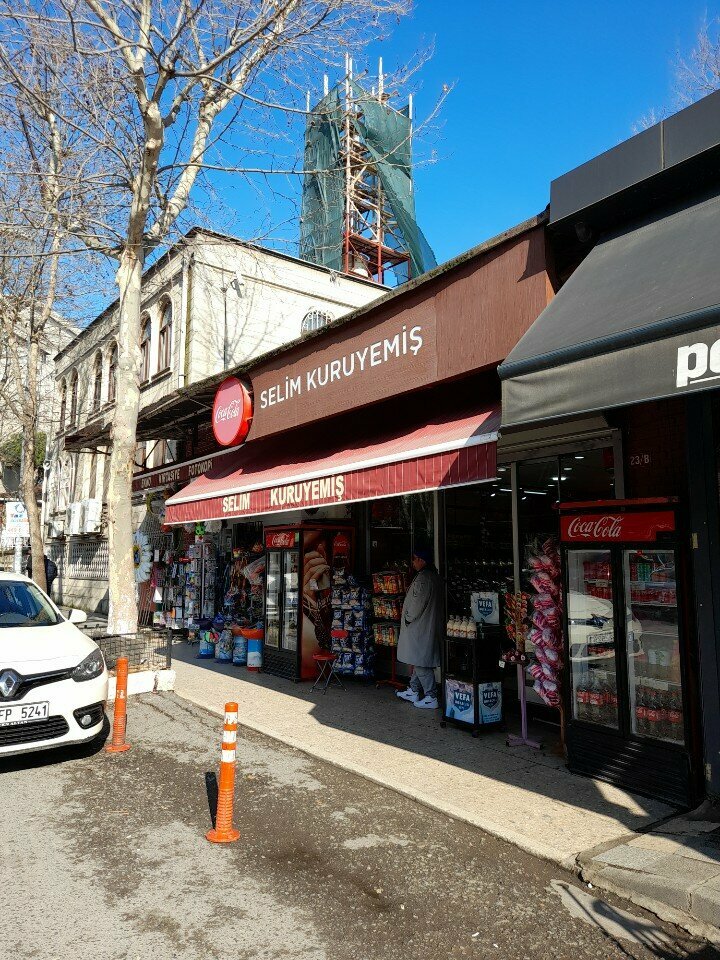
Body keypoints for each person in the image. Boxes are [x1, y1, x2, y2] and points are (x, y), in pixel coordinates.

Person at [396, 540, 443, 709]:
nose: (413, 562)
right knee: (417, 660)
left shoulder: (424, 578)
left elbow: (416, 604)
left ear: (422, 560)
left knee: (421, 662)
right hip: (425, 626)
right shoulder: (432, 576)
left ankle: (431, 696)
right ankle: (413, 690)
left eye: (415, 558)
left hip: (420, 628)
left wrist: (408, 618)